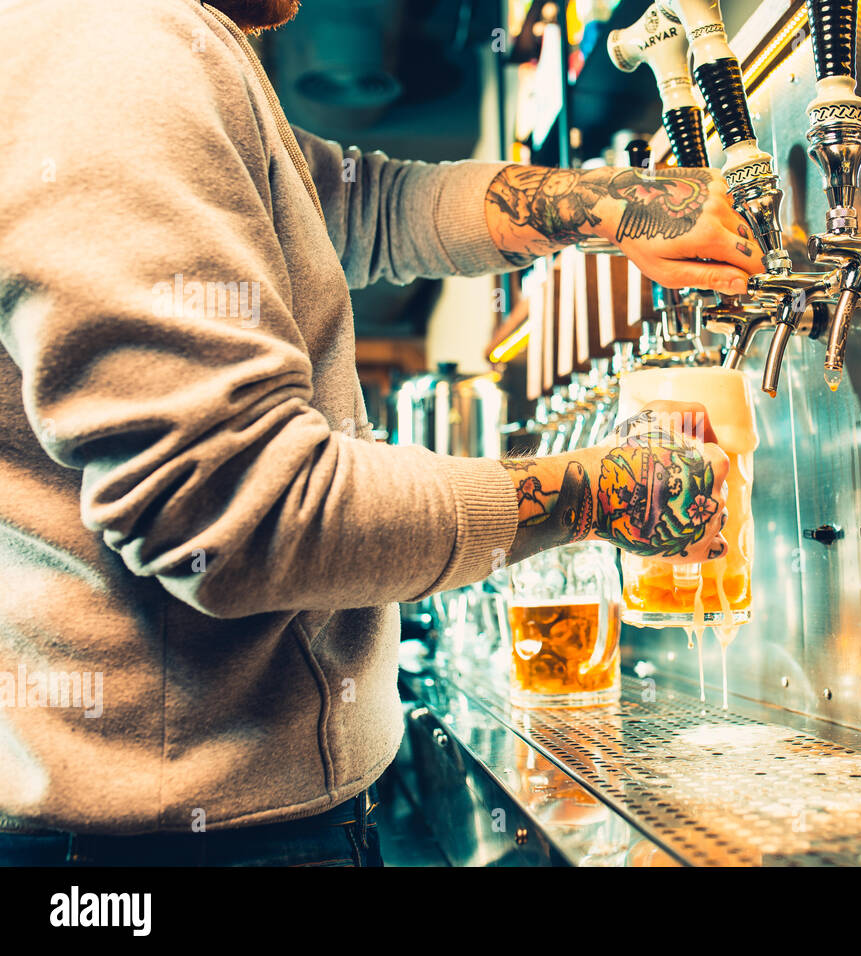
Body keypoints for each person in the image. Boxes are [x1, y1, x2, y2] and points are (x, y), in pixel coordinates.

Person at [0, 0, 763, 865]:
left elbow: (357, 206)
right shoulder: (111, 46)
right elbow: (245, 515)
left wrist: (616, 203)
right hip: (173, 849)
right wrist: (609, 489)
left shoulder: (151, 44)